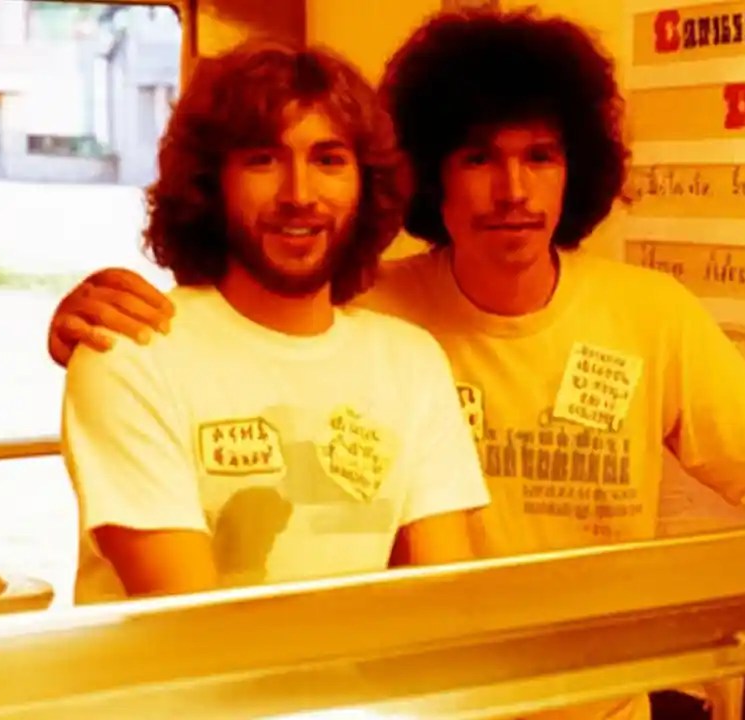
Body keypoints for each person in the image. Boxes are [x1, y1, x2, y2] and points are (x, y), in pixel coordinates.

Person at [47, 8, 745, 716]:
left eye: (540, 156)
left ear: (577, 165)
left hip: (590, 704)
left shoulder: (638, 314)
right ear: (425, 174)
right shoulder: (374, 310)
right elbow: (249, 325)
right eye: (476, 158)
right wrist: (83, 317)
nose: (511, 190)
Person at [61, 39, 490, 606]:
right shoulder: (131, 353)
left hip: (360, 695)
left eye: (329, 160)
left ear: (365, 184)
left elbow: (439, 603)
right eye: (262, 159)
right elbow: (192, 630)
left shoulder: (410, 361)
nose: (299, 195)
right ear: (211, 182)